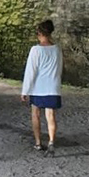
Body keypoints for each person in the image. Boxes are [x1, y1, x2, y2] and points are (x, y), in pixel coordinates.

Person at [21, 19, 63, 156]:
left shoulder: (36, 50)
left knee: (36, 115)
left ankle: (38, 143)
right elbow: (59, 68)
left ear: (39, 33)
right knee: (50, 116)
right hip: (52, 87)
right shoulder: (57, 49)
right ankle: (51, 141)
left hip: (38, 88)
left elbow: (30, 71)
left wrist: (25, 90)